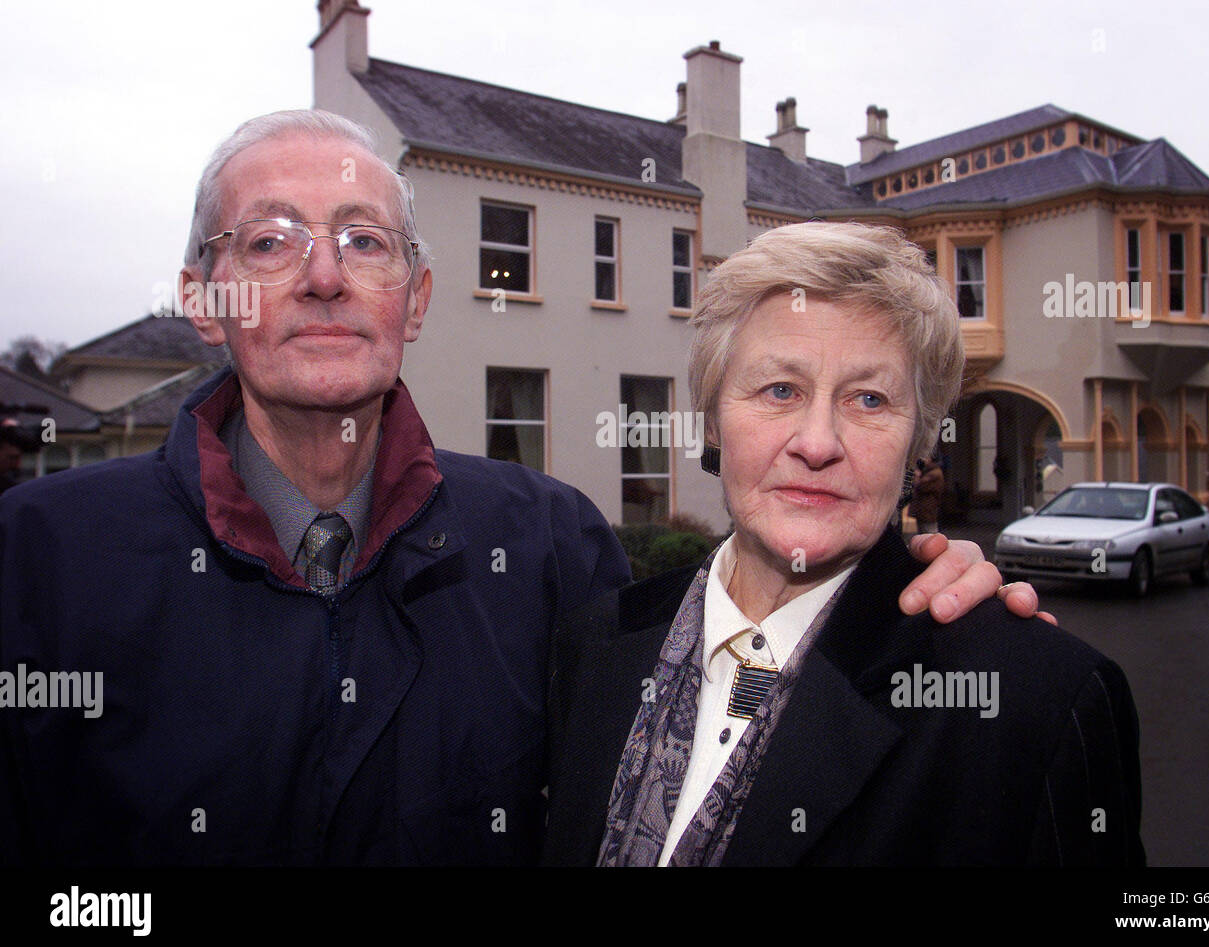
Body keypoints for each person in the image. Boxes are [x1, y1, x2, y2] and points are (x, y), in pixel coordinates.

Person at [0, 111, 1044, 866]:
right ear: (202, 297)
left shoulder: (544, 544)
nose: (324, 273)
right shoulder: (40, 557)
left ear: (414, 300)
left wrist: (923, 597)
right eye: (270, 241)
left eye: (365, 240)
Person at [544, 222, 1143, 866]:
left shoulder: (1031, 701)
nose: (819, 442)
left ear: (919, 442)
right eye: (781, 390)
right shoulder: (594, 644)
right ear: (712, 420)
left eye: (868, 399)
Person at [911, 454, 944, 534]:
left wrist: (917, 477)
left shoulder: (933, 474)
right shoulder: (932, 472)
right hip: (926, 507)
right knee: (926, 530)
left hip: (927, 507)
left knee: (928, 532)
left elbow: (920, 485)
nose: (923, 460)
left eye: (926, 458)